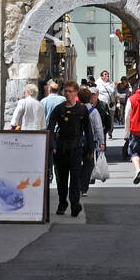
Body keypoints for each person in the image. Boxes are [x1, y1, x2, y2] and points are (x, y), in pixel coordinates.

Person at [49, 81, 93, 217]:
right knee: (61, 179)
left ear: (75, 93)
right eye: (65, 91)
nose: (67, 94)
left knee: (75, 178)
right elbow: (50, 128)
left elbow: (88, 130)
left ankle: (75, 204)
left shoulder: (82, 109)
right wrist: (53, 146)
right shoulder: (59, 109)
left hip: (76, 148)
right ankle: (63, 202)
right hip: (61, 148)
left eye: (70, 91)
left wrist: (90, 148)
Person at [77, 85, 105, 193]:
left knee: (77, 164)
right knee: (88, 164)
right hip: (90, 142)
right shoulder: (93, 111)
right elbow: (98, 128)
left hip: (77, 141)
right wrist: (102, 142)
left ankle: (77, 184)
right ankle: (84, 188)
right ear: (89, 98)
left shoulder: (77, 110)